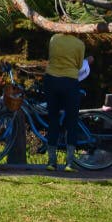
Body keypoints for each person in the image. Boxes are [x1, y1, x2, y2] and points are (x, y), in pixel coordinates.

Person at [44, 32, 85, 172]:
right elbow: (79, 66)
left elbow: (50, 57)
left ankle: (51, 162)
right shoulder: (79, 44)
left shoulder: (54, 38)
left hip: (51, 79)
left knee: (53, 120)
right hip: (70, 81)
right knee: (72, 121)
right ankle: (69, 163)